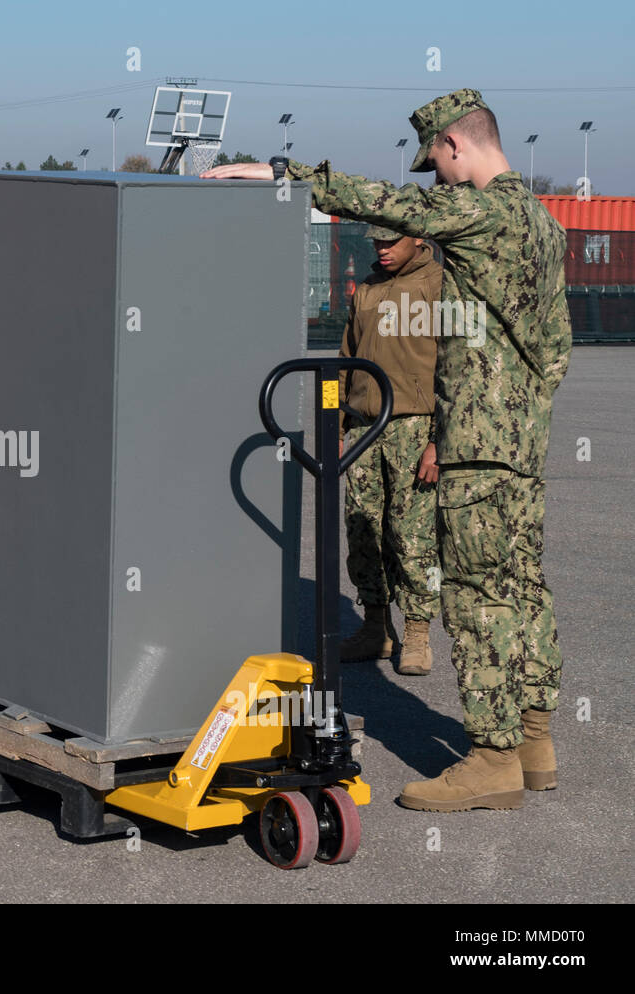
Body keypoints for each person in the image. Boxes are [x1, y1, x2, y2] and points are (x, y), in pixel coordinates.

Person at [203, 88, 570, 812]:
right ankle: (534, 739)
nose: (435, 175)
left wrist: (282, 172)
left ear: (456, 144)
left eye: (435, 160)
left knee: (479, 595)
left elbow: (385, 202)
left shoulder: (484, 208)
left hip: (478, 444)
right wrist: (522, 417)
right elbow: (555, 349)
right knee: (523, 583)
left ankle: (492, 759)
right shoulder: (543, 222)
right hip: (520, 443)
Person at [337, 226, 443, 675]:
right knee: (363, 528)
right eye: (376, 243)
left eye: (390, 243)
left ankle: (418, 633)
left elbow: (458, 369)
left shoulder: (441, 287)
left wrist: (439, 441)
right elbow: (344, 359)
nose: (381, 250)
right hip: (363, 426)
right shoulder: (368, 289)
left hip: (415, 426)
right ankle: (376, 628)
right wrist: (336, 422)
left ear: (418, 240)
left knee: (411, 533)